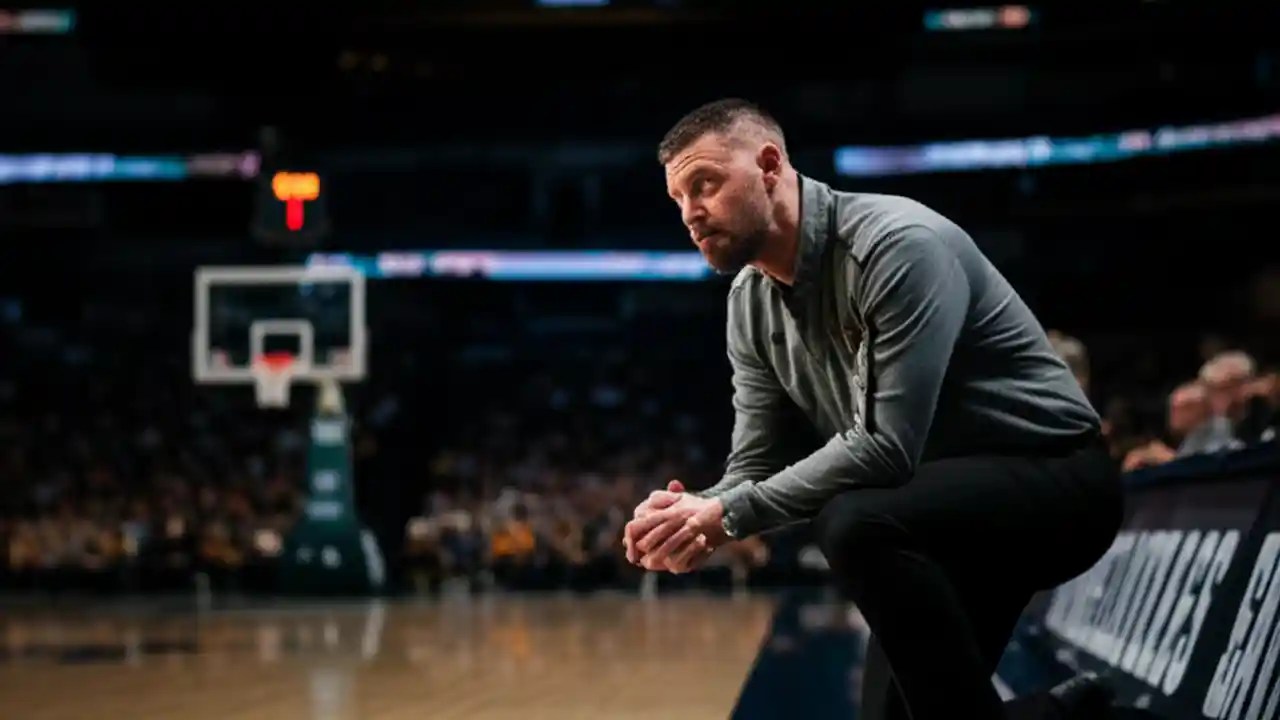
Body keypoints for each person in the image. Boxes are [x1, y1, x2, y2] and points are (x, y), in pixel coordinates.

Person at [622, 98, 1125, 720]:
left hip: (1057, 483)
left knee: (851, 520)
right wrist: (693, 511)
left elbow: (885, 447)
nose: (691, 214)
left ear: (771, 165)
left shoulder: (897, 244)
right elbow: (752, 464)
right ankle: (1072, 713)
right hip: (934, 509)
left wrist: (725, 516)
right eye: (678, 200)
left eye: (705, 185)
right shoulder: (747, 301)